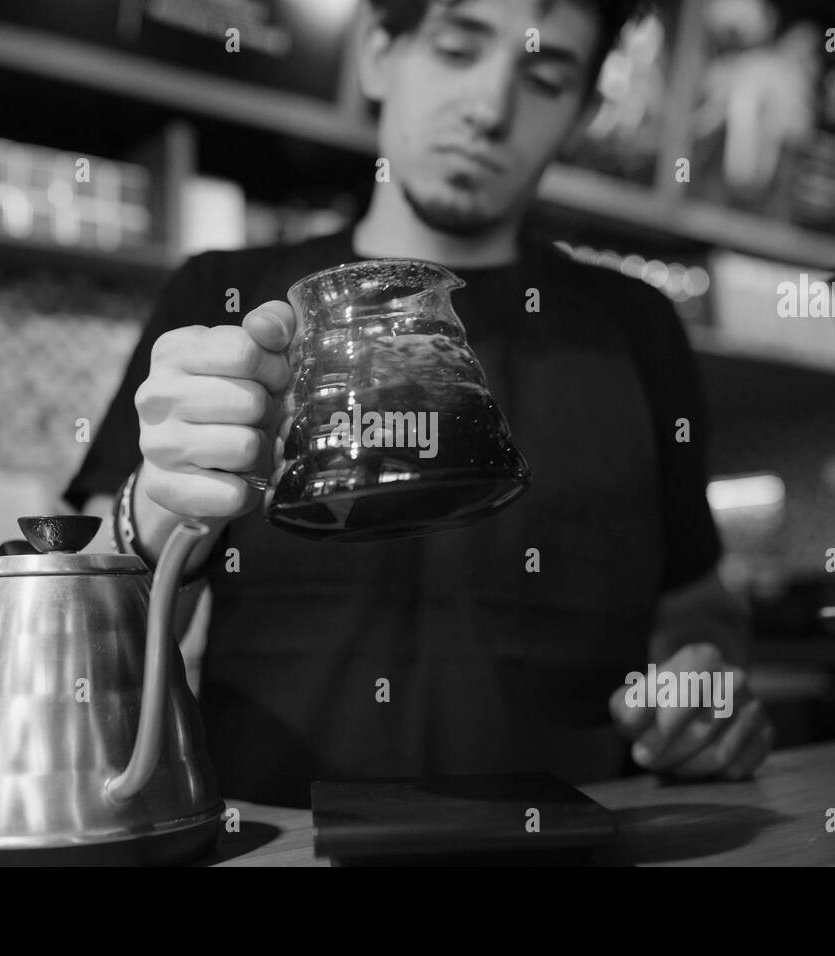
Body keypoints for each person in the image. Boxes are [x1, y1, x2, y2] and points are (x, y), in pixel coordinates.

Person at [64, 0, 774, 808]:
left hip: (570, 840)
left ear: (579, 114)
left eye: (544, 78)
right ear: (377, 54)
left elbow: (697, 605)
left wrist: (701, 688)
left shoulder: (639, 327)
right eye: (457, 48)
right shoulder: (219, 293)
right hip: (272, 844)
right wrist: (155, 510)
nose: (489, 107)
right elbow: (81, 636)